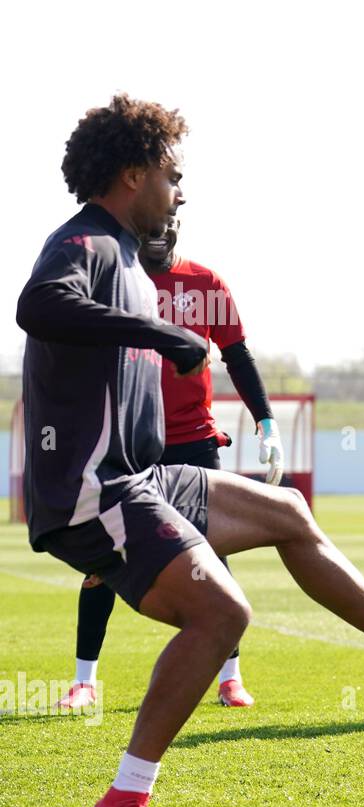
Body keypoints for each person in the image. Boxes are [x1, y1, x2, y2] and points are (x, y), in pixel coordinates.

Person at [16, 94, 364, 807]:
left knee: (287, 510)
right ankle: (124, 802)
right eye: (171, 173)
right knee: (223, 614)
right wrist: (163, 332)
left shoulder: (128, 255)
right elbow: (38, 304)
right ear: (132, 175)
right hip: (93, 490)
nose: (180, 190)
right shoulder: (87, 244)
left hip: (143, 475)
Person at [57, 214, 280, 711]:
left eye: (170, 223)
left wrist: (266, 422)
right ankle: (85, 681)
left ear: (178, 223)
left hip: (194, 440)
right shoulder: (114, 282)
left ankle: (230, 678)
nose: (160, 232)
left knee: (213, 555)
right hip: (127, 443)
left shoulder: (205, 284)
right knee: (103, 557)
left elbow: (237, 356)